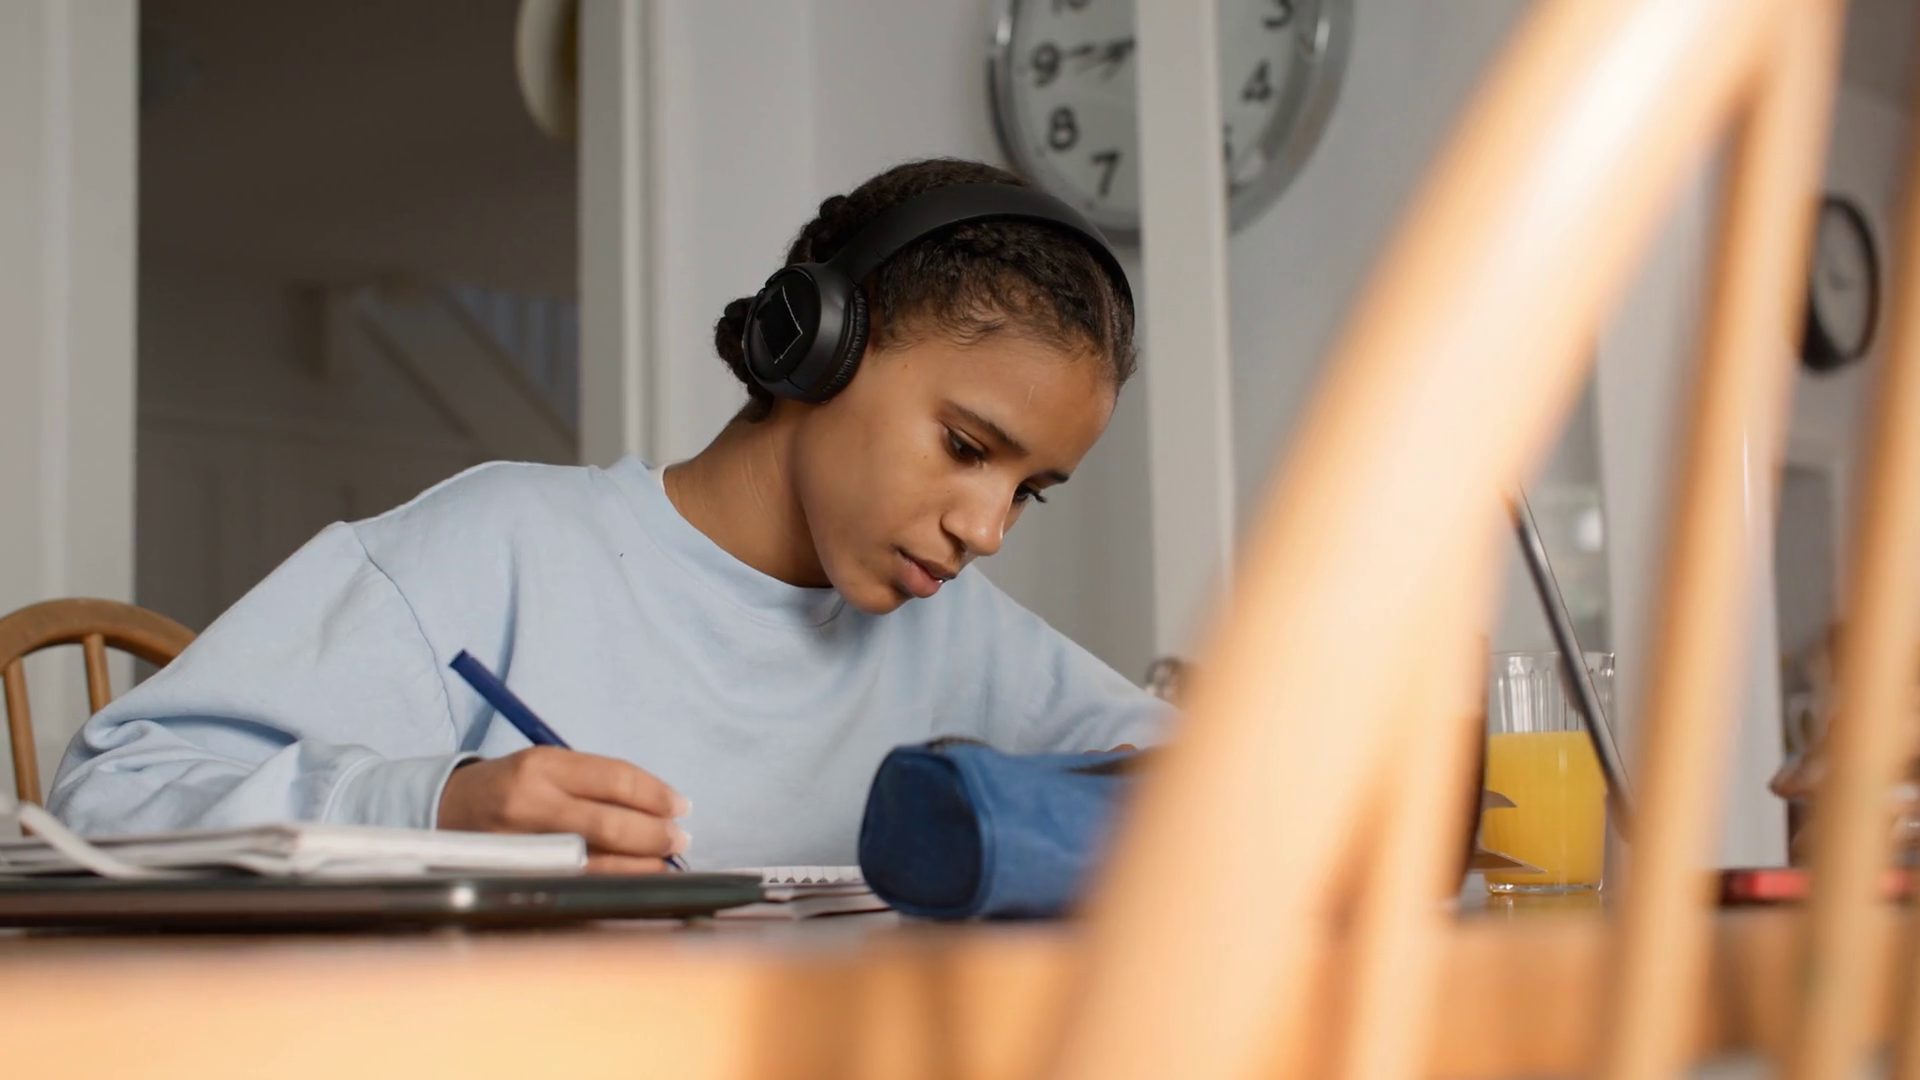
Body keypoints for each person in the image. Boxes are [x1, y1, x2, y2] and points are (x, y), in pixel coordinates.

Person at [49, 158, 1170, 871]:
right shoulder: (498, 550)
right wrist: (433, 805)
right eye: (967, 449)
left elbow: (1206, 774)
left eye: (1028, 491)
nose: (987, 529)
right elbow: (112, 791)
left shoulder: (963, 635)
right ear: (815, 348)